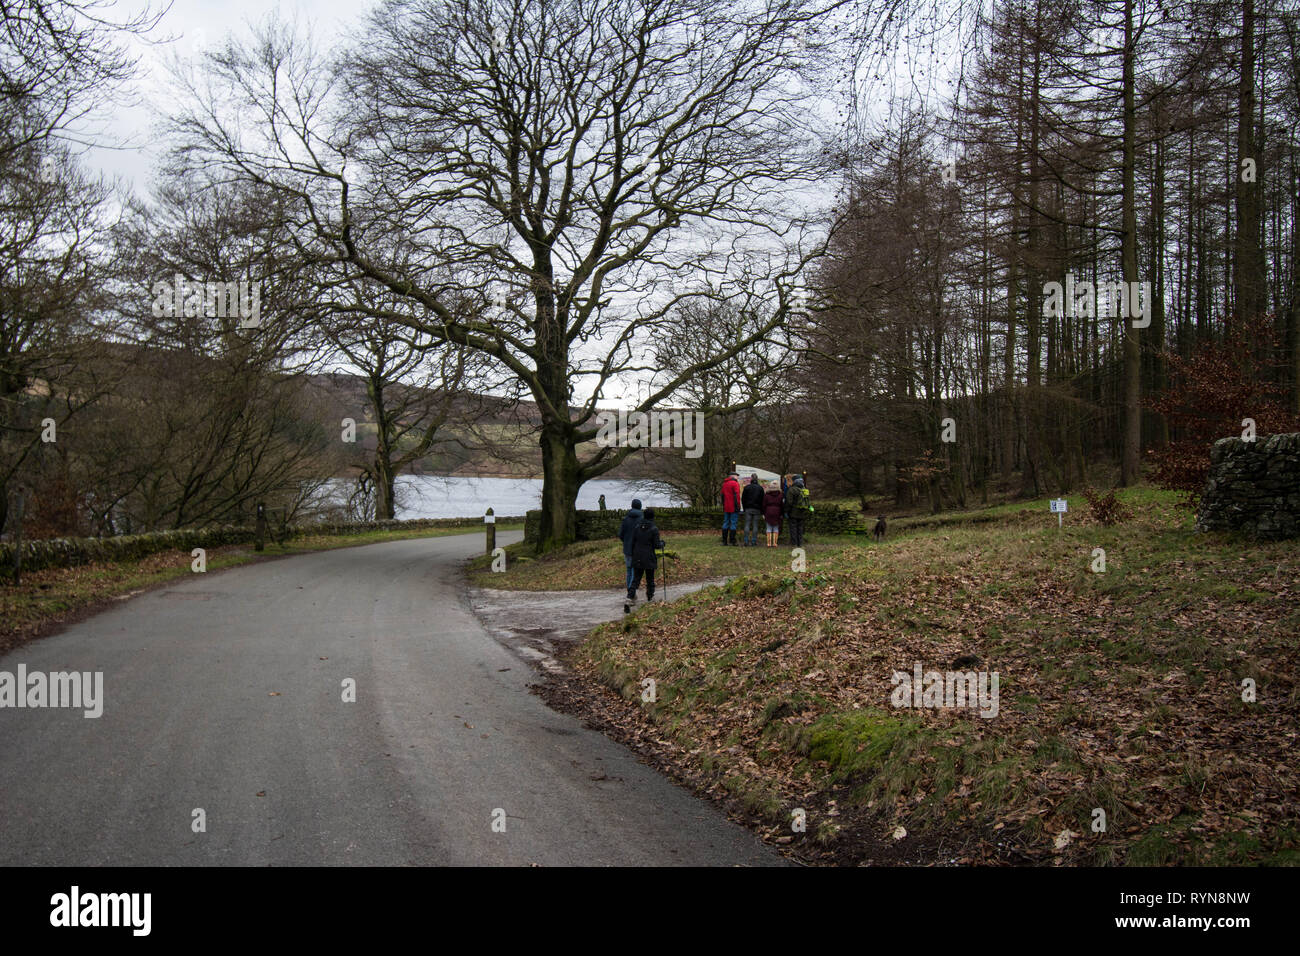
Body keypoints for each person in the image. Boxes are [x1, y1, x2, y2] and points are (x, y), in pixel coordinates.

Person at [627, 507, 665, 608]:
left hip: (637, 555)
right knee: (650, 579)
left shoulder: (637, 527)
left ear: (644, 516)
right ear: (652, 517)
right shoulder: (654, 529)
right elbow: (656, 545)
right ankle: (650, 597)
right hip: (649, 557)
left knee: (636, 579)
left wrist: (632, 553)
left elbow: (633, 542)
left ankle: (629, 597)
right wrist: (662, 543)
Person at [618, 498, 643, 594]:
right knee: (634, 570)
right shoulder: (641, 519)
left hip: (627, 548)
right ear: (640, 506)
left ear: (631, 506)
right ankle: (632, 592)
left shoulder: (626, 519)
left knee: (629, 570)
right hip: (637, 548)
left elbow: (621, 534)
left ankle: (629, 589)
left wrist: (626, 541)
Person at [786, 474, 811, 547]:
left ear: (794, 481)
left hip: (793, 512)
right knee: (800, 528)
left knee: (793, 528)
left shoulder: (792, 489)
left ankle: (794, 543)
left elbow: (789, 502)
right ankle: (800, 543)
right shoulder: (804, 489)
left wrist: (786, 511)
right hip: (802, 512)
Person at [740, 474, 764, 546]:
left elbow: (743, 499)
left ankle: (746, 540)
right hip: (757, 509)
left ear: (751, 479)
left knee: (747, 524)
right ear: (757, 479)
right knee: (755, 525)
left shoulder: (747, 487)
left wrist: (744, 508)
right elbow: (762, 500)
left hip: (748, 508)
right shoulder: (760, 488)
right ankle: (754, 541)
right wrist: (761, 509)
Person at [720, 471, 742, 546]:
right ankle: (732, 541)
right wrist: (738, 506)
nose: (737, 477)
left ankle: (724, 541)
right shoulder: (735, 484)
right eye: (737, 476)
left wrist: (724, 505)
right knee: (733, 523)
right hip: (733, 507)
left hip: (726, 507)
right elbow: (737, 496)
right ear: (733, 476)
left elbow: (722, 496)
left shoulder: (724, 484)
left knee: (725, 523)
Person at [762, 481, 784, 548]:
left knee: (768, 527)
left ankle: (768, 543)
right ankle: (775, 543)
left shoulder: (766, 495)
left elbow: (763, 505)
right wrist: (781, 514)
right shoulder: (781, 495)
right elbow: (782, 505)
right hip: (777, 512)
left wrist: (763, 513)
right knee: (776, 528)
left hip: (768, 512)